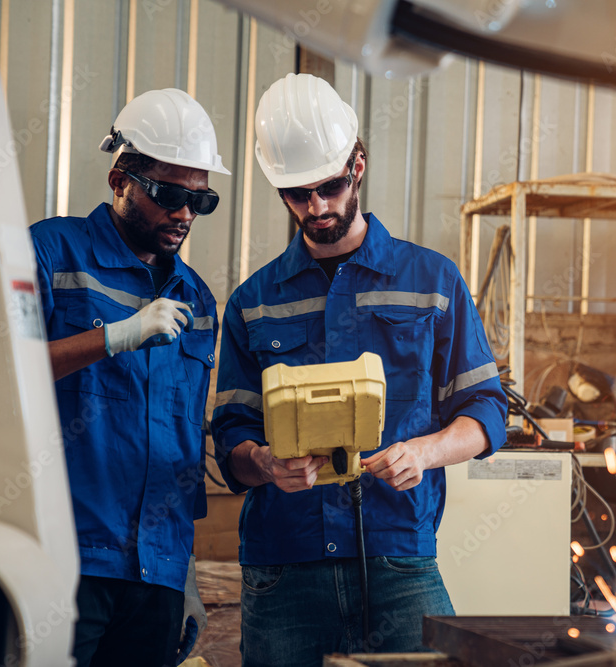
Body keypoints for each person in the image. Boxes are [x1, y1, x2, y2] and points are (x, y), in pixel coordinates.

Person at [210, 73, 508, 667]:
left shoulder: (432, 281)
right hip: (284, 566)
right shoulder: (253, 300)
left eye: (329, 186)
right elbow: (232, 434)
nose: (317, 207)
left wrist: (422, 453)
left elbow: (486, 413)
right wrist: (266, 464)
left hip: (398, 556)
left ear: (358, 165)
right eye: (298, 193)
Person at [30, 88, 229, 667]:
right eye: (170, 194)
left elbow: (184, 442)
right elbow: (0, 377)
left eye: (201, 200)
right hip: (65, 562)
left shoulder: (197, 300)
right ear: (121, 179)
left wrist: (186, 574)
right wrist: (114, 336)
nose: (184, 213)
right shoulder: (52, 253)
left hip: (158, 575)